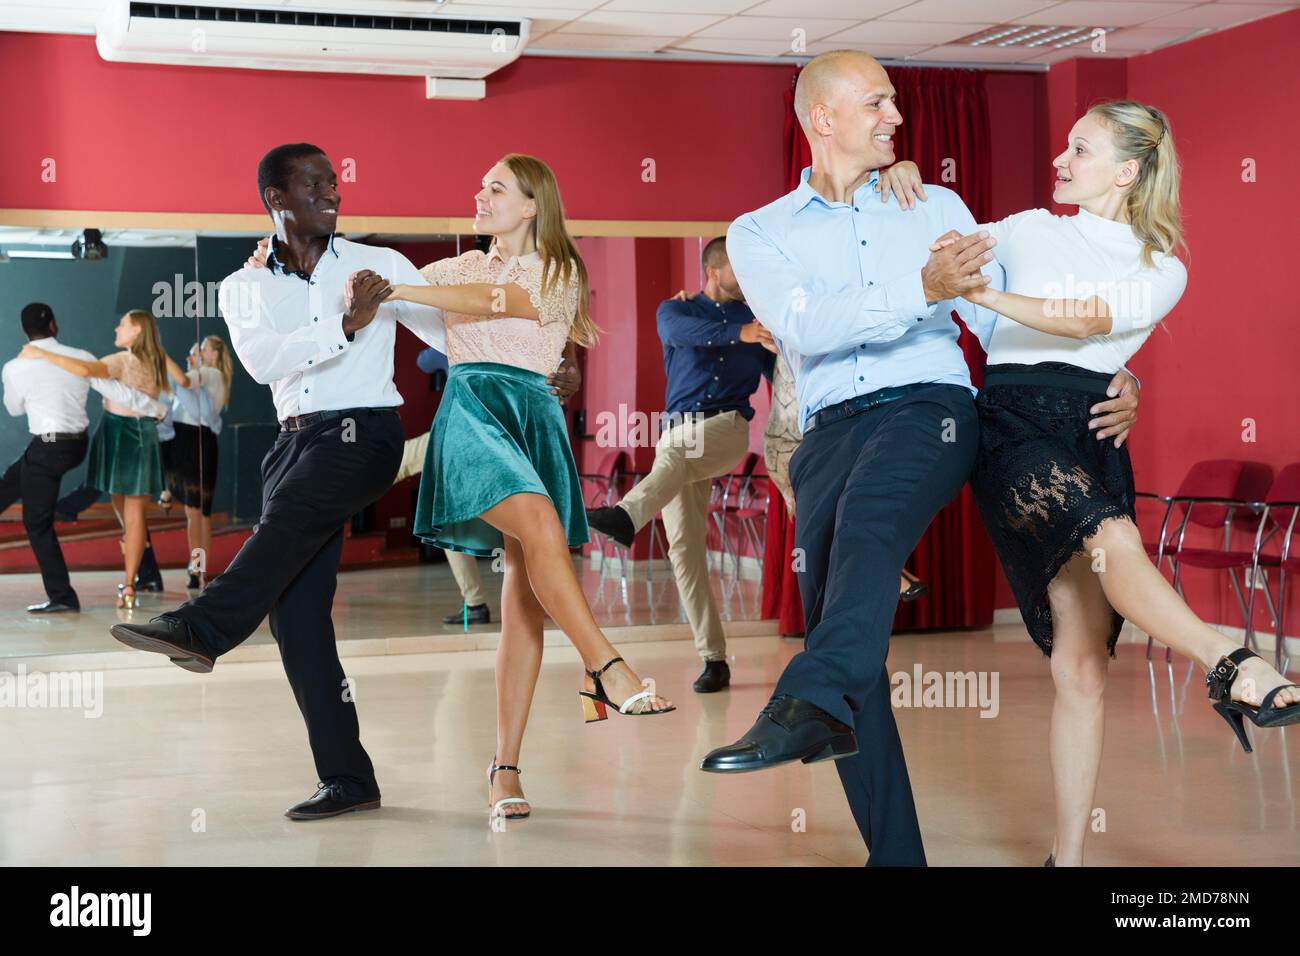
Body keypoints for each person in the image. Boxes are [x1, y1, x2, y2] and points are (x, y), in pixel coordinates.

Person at [700, 50, 1141, 866]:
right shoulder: (759, 231)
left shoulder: (931, 200)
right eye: (877, 104)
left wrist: (1114, 370)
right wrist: (923, 284)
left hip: (930, 409)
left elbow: (1012, 310)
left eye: (896, 103)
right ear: (823, 118)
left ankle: (805, 697)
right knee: (843, 619)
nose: (896, 118)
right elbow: (805, 326)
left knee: (869, 533)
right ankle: (891, 849)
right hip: (830, 431)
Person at [879, 101, 1300, 867]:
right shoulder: (1027, 227)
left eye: (1080, 149)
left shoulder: (1162, 266)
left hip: (1092, 428)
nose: (1060, 162)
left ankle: (1065, 859)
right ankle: (1232, 663)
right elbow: (938, 241)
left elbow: (1082, 322)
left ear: (1128, 171)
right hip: (1010, 426)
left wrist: (977, 295)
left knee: (1079, 668)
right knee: (1110, 538)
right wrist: (903, 176)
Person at [108, 143, 447, 820]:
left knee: (285, 524)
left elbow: (441, 328)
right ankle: (349, 778)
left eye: (335, 181)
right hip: (292, 443)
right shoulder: (244, 285)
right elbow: (263, 365)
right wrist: (342, 324)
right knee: (295, 617)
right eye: (315, 182)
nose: (333, 192)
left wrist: (526, 364)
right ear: (276, 198)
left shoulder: (378, 264)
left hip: (361, 433)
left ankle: (203, 627)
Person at [384, 153, 675, 820]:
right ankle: (605, 665)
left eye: (495, 188)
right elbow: (393, 300)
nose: (479, 195)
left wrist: (402, 291)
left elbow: (499, 302)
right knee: (541, 525)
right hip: (474, 413)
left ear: (530, 205)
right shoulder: (450, 270)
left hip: (534, 415)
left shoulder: (560, 270)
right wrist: (377, 289)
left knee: (526, 594)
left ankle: (504, 769)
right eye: (480, 184)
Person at [585, 238, 777, 693]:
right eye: (737, 266)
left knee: (674, 455)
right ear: (713, 270)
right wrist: (739, 334)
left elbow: (783, 377)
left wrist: (772, 345)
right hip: (677, 436)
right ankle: (714, 658)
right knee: (685, 552)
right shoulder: (676, 312)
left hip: (726, 429)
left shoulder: (760, 322)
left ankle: (626, 515)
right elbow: (681, 336)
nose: (746, 274)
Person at [397, 344, 583, 626]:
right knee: (449, 512)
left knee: (403, 473)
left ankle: (487, 602)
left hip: (470, 435)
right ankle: (478, 603)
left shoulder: (466, 339)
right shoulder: (518, 346)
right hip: (502, 435)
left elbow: (425, 360)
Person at [2, 303, 166, 612]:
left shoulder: (14, 367)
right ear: (53, 325)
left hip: (48, 447)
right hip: (77, 446)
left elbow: (14, 409)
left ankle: (63, 597)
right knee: (13, 480)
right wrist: (157, 409)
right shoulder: (82, 357)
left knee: (36, 523)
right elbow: (115, 391)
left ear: (25, 331)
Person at [162, 336, 232, 590]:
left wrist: (160, 354)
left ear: (214, 354)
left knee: (198, 512)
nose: (194, 355)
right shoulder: (201, 377)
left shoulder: (210, 373)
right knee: (195, 513)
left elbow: (182, 380)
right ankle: (196, 567)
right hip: (185, 441)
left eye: (201, 350)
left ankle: (198, 567)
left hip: (196, 443)